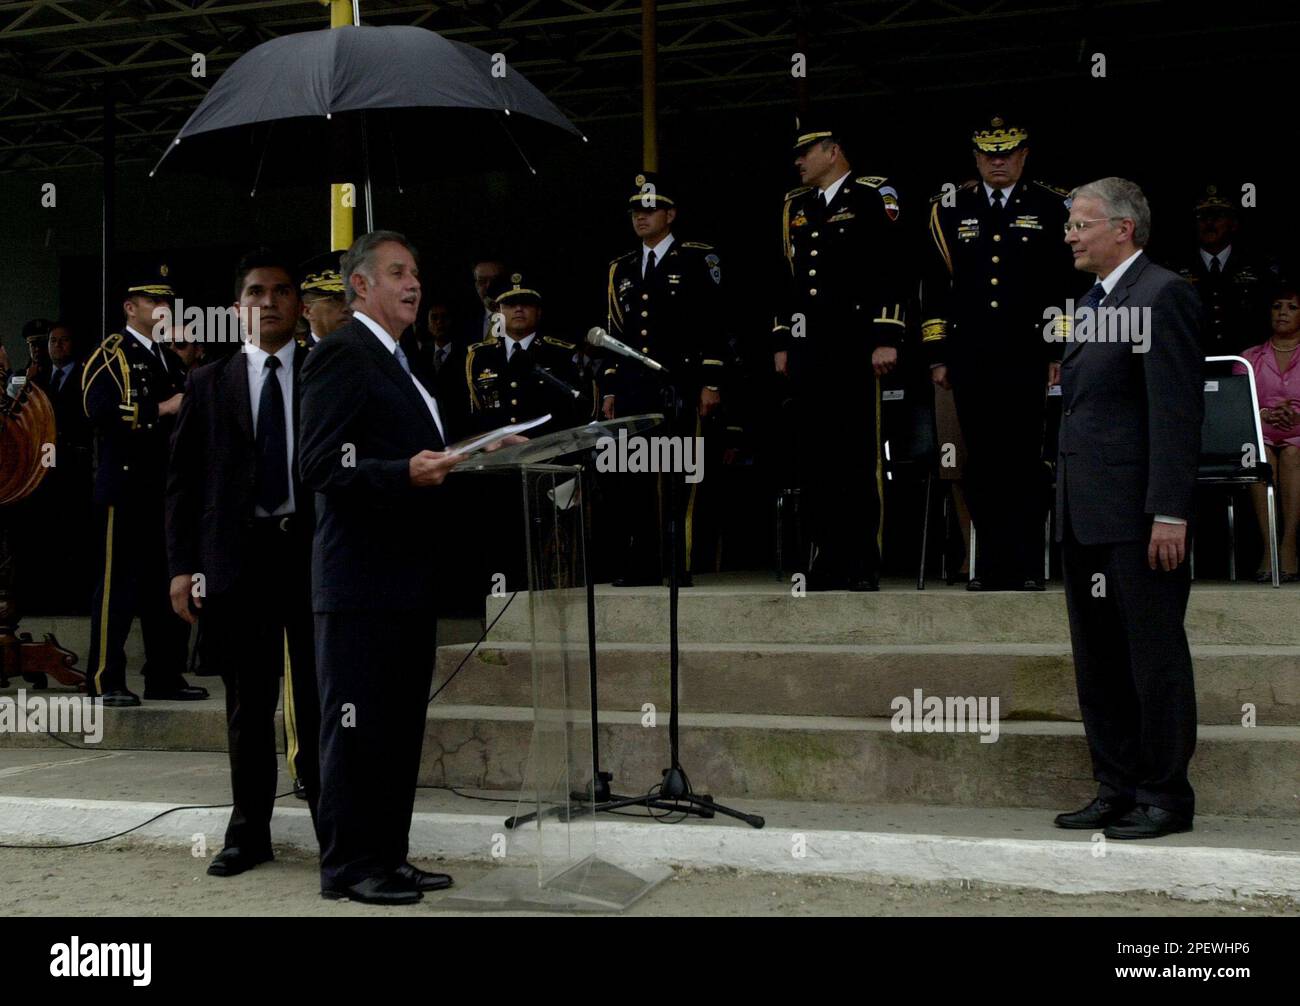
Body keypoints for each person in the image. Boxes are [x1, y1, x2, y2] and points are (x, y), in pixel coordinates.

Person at [299, 230, 461, 905]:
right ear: (359, 285)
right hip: (360, 581)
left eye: (416, 271)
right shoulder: (343, 354)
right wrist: (404, 472)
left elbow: (417, 447)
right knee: (357, 731)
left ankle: (389, 858)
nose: (413, 283)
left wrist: (474, 452)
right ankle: (348, 868)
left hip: (406, 579)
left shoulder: (404, 358)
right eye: (397, 271)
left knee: (397, 730)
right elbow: (317, 463)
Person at [1053, 178, 1203, 840]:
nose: (1070, 234)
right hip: (1086, 511)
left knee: (1153, 658)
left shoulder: (1164, 293)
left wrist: (1170, 510)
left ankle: (1165, 795)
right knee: (1100, 660)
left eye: (1081, 223)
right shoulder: (1091, 302)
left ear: (1123, 229)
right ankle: (1115, 785)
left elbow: (1176, 413)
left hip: (1139, 516)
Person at [165, 249, 320, 876]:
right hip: (238, 562)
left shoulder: (323, 372)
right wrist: (181, 568)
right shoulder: (208, 383)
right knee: (248, 706)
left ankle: (335, 834)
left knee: (318, 699)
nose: (270, 302)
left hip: (312, 557)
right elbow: (182, 484)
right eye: (256, 292)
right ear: (237, 309)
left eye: (282, 291)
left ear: (299, 305)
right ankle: (248, 834)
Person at [922, 115, 1075, 590]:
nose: (998, 161)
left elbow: (1064, 281)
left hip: (1026, 351)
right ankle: (988, 564)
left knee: (1023, 459)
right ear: (975, 157)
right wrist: (938, 352)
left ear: (1024, 155)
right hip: (970, 352)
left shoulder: (1052, 204)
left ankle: (1027, 564)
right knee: (981, 459)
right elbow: (934, 284)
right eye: (989, 154)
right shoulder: (950, 206)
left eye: (1007, 152)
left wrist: (1058, 349)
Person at [772, 123, 908, 591]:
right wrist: (782, 340)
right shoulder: (796, 205)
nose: (798, 161)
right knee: (816, 458)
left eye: (806, 152)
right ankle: (825, 559)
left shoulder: (872, 194)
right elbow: (785, 277)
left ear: (833, 151)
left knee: (856, 455)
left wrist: (887, 333)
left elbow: (893, 266)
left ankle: (861, 561)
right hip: (810, 348)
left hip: (855, 346)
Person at [81, 264, 207, 707]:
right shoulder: (111, 354)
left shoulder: (168, 358)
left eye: (167, 304)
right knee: (117, 587)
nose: (162, 310)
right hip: (125, 487)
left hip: (164, 490)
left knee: (163, 585)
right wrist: (161, 409)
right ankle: (104, 678)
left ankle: (164, 674)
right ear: (131, 308)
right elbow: (98, 410)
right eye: (154, 303)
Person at [604, 171, 726, 587]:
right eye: (637, 210)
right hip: (635, 385)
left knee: (677, 474)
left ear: (670, 214)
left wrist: (711, 380)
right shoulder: (620, 268)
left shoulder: (696, 257)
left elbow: (714, 322)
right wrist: (611, 387)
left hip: (679, 381)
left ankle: (678, 562)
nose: (642, 217)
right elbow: (614, 333)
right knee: (634, 476)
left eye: (651, 209)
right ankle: (641, 563)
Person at [467, 272, 591, 435]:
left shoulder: (561, 354)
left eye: (526, 303)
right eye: (510, 304)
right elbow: (474, 416)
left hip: (550, 452)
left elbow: (578, 412)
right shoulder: (480, 357)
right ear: (498, 311)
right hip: (499, 456)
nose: (518, 309)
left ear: (538, 311)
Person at [1235, 282, 1300, 581]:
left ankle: (1288, 546)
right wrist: (1265, 413)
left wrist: (1295, 413)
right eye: (1277, 306)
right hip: (1260, 431)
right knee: (1260, 456)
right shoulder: (1249, 357)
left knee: (1291, 454)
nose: (1283, 313)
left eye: (1292, 307)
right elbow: (1237, 405)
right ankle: (1269, 546)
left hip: (1298, 434)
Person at [1178, 184, 1272, 356]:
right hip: (1191, 361)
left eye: (1217, 216)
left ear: (1233, 224)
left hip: (1245, 361)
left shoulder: (1257, 266)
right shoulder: (1177, 268)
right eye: (1202, 217)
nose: (1209, 223)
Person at [299, 253, 352, 345]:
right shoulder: (297, 357)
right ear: (306, 311)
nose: (347, 308)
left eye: (352, 299)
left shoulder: (374, 355)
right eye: (336, 299)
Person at [461, 256, 505, 344]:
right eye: (482, 281)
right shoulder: (465, 324)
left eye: (494, 280)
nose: (489, 286)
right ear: (476, 285)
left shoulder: (518, 319)